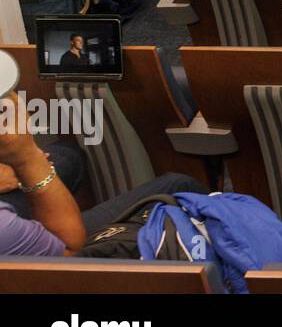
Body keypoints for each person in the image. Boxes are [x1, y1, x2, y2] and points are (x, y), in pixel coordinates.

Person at [0, 92, 203, 255]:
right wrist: (27, 158)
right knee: (178, 185)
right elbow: (67, 251)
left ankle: (71, 210)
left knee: (67, 156)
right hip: (52, 250)